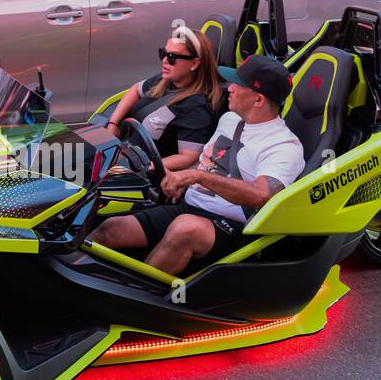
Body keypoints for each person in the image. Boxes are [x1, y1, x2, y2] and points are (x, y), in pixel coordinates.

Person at [90, 56, 303, 275]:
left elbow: (261, 195)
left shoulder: (284, 146)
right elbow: (207, 163)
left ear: (258, 100)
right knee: (112, 228)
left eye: (237, 84)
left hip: (231, 227)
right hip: (190, 205)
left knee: (185, 228)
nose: (229, 88)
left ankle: (137, 291)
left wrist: (198, 177)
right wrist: (180, 177)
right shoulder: (230, 119)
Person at [103, 26, 222, 171]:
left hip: (137, 172)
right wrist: (113, 124)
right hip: (121, 152)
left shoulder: (196, 107)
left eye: (172, 57)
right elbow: (135, 89)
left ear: (194, 63)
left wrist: (144, 167)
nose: (165, 60)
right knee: (78, 152)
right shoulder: (167, 80)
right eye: (163, 53)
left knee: (80, 170)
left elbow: (188, 157)